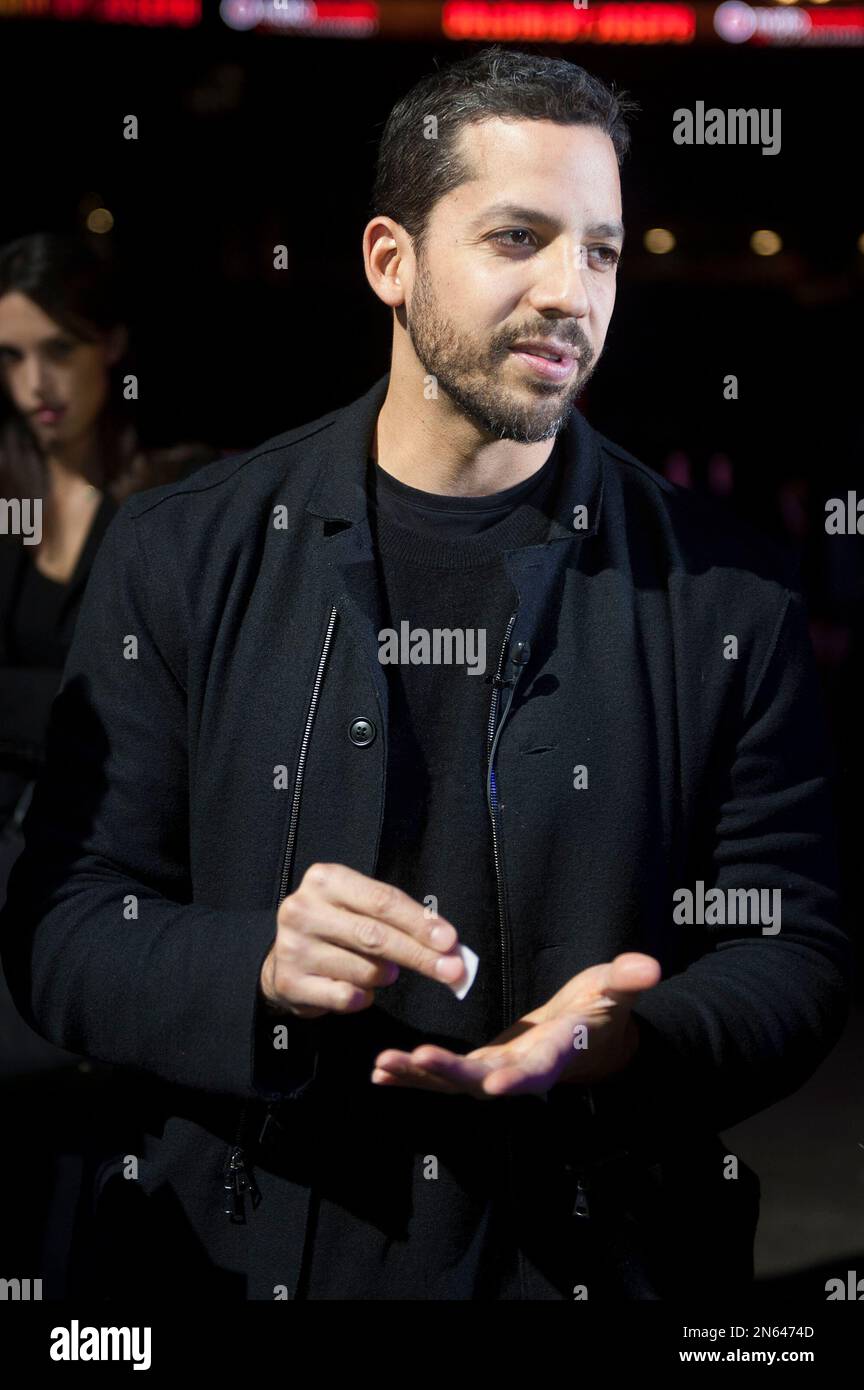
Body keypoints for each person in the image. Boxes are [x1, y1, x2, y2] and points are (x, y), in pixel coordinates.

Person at [0, 49, 850, 1301]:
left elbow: (796, 943)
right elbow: (63, 919)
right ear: (389, 261)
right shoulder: (186, 551)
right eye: (520, 236)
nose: (573, 292)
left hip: (586, 1258)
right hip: (248, 1249)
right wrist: (258, 967)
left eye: (603, 250)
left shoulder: (726, 592)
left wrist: (633, 1040)